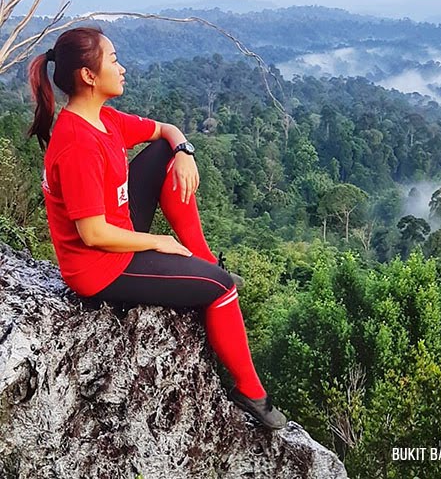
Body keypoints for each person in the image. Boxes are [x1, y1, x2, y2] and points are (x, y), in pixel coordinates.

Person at [26, 26, 286, 430]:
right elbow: (92, 234)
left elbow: (166, 131)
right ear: (88, 76)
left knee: (165, 152)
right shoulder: (77, 142)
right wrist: (159, 242)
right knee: (222, 288)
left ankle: (201, 258)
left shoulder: (104, 119)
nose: (122, 68)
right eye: (113, 60)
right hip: (100, 267)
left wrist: (184, 151)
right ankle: (250, 391)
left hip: (118, 229)